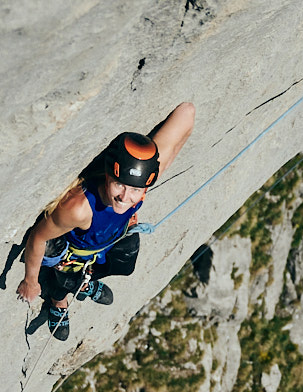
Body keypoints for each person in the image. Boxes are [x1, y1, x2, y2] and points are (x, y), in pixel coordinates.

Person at [18, 102, 196, 341]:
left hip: (109, 238)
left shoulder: (143, 182)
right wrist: (31, 281)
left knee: (125, 264)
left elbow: (186, 113)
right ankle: (58, 301)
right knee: (66, 279)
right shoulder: (79, 208)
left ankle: (84, 284)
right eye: (119, 184)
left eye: (135, 189)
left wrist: (154, 156)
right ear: (108, 174)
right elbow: (38, 238)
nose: (125, 197)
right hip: (74, 250)